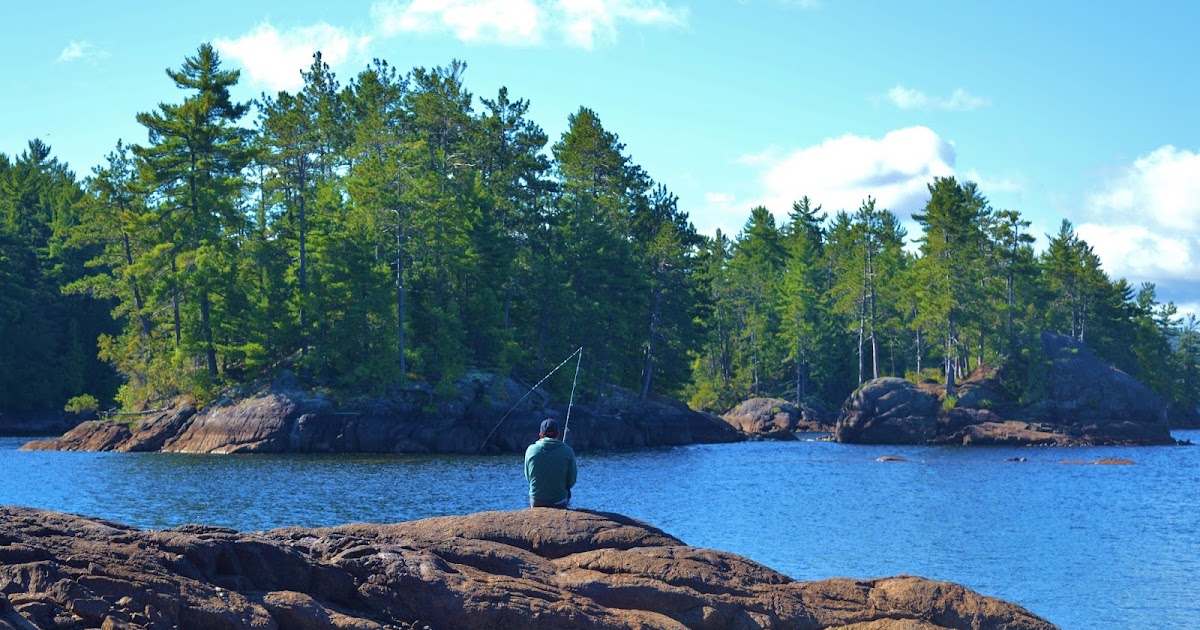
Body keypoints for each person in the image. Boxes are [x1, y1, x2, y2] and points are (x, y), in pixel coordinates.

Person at [524, 418, 577, 508]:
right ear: (558, 435)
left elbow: (528, 477)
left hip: (536, 502)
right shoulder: (568, 451)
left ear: (540, 435)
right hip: (559, 501)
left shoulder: (530, 450)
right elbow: (571, 481)